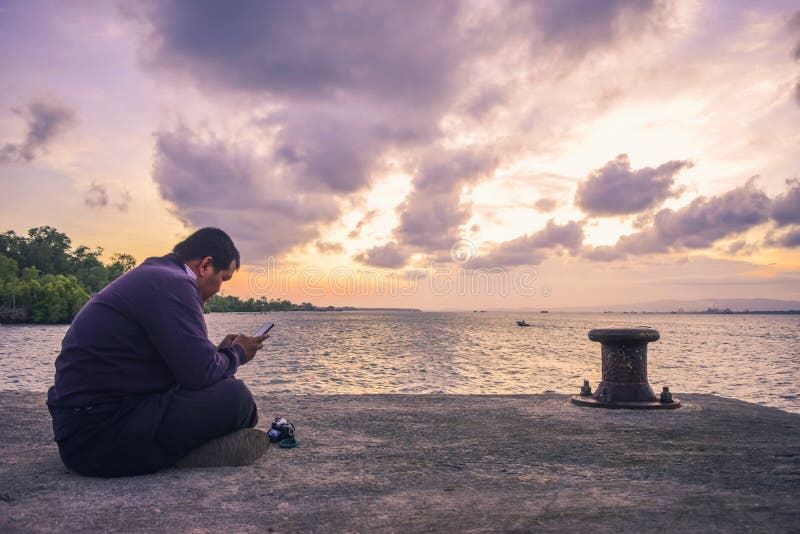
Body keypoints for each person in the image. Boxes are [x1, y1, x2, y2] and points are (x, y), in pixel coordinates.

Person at [46, 227, 270, 477]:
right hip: (99, 439)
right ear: (205, 265)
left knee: (222, 391)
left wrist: (220, 354)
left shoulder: (156, 275)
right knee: (237, 399)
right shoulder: (175, 283)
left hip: (84, 430)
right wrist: (238, 353)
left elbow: (187, 367)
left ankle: (180, 448)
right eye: (223, 279)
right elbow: (199, 374)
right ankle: (191, 453)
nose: (219, 290)